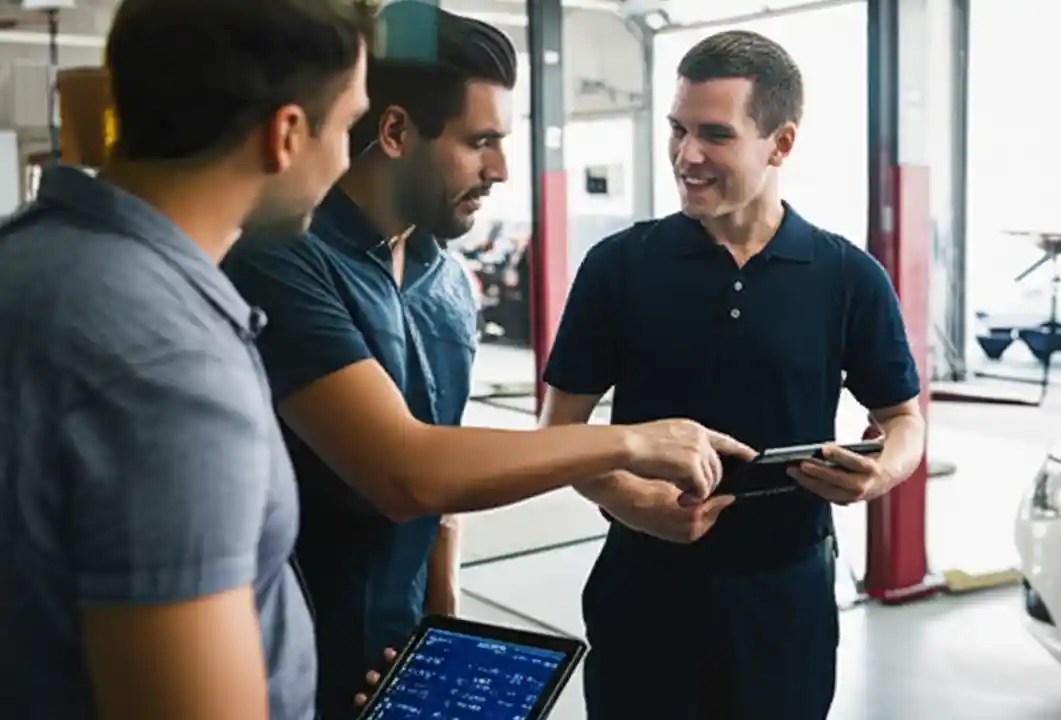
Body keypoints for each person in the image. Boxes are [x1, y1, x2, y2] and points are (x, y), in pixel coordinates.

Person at [220, 5, 754, 719]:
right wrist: (632, 440)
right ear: (397, 131)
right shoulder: (284, 261)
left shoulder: (446, 282)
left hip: (394, 652)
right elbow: (405, 473)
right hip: (272, 663)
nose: (502, 170)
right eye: (481, 143)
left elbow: (443, 481)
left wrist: (441, 626)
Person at [0, 1, 373, 719]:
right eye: (350, 125)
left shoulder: (26, 261)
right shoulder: (168, 364)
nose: (348, 159)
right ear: (287, 133)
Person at [540, 29, 927, 720]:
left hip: (788, 602)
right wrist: (628, 498)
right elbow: (558, 432)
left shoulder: (847, 276)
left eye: (714, 135)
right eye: (677, 130)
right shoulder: (618, 268)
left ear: (779, 144)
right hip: (643, 593)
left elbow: (904, 420)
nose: (687, 156)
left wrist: (883, 472)